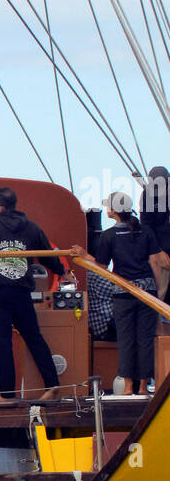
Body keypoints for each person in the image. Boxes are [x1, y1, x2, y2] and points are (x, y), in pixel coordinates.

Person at [0, 186, 64, 401]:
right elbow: (48, 256)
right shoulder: (31, 228)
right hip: (22, 291)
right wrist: (63, 272)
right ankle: (52, 385)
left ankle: (7, 394)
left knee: (0, 341)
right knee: (34, 337)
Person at [92, 192, 165, 395]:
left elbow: (101, 267)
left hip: (123, 293)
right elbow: (155, 263)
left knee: (126, 340)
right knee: (145, 339)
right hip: (147, 292)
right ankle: (143, 386)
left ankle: (128, 387)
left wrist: (84, 256)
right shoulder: (146, 231)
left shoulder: (108, 236)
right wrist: (157, 292)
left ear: (114, 211)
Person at [138, 165, 170, 299]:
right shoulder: (147, 195)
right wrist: (158, 251)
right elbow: (146, 226)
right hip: (160, 249)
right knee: (159, 294)